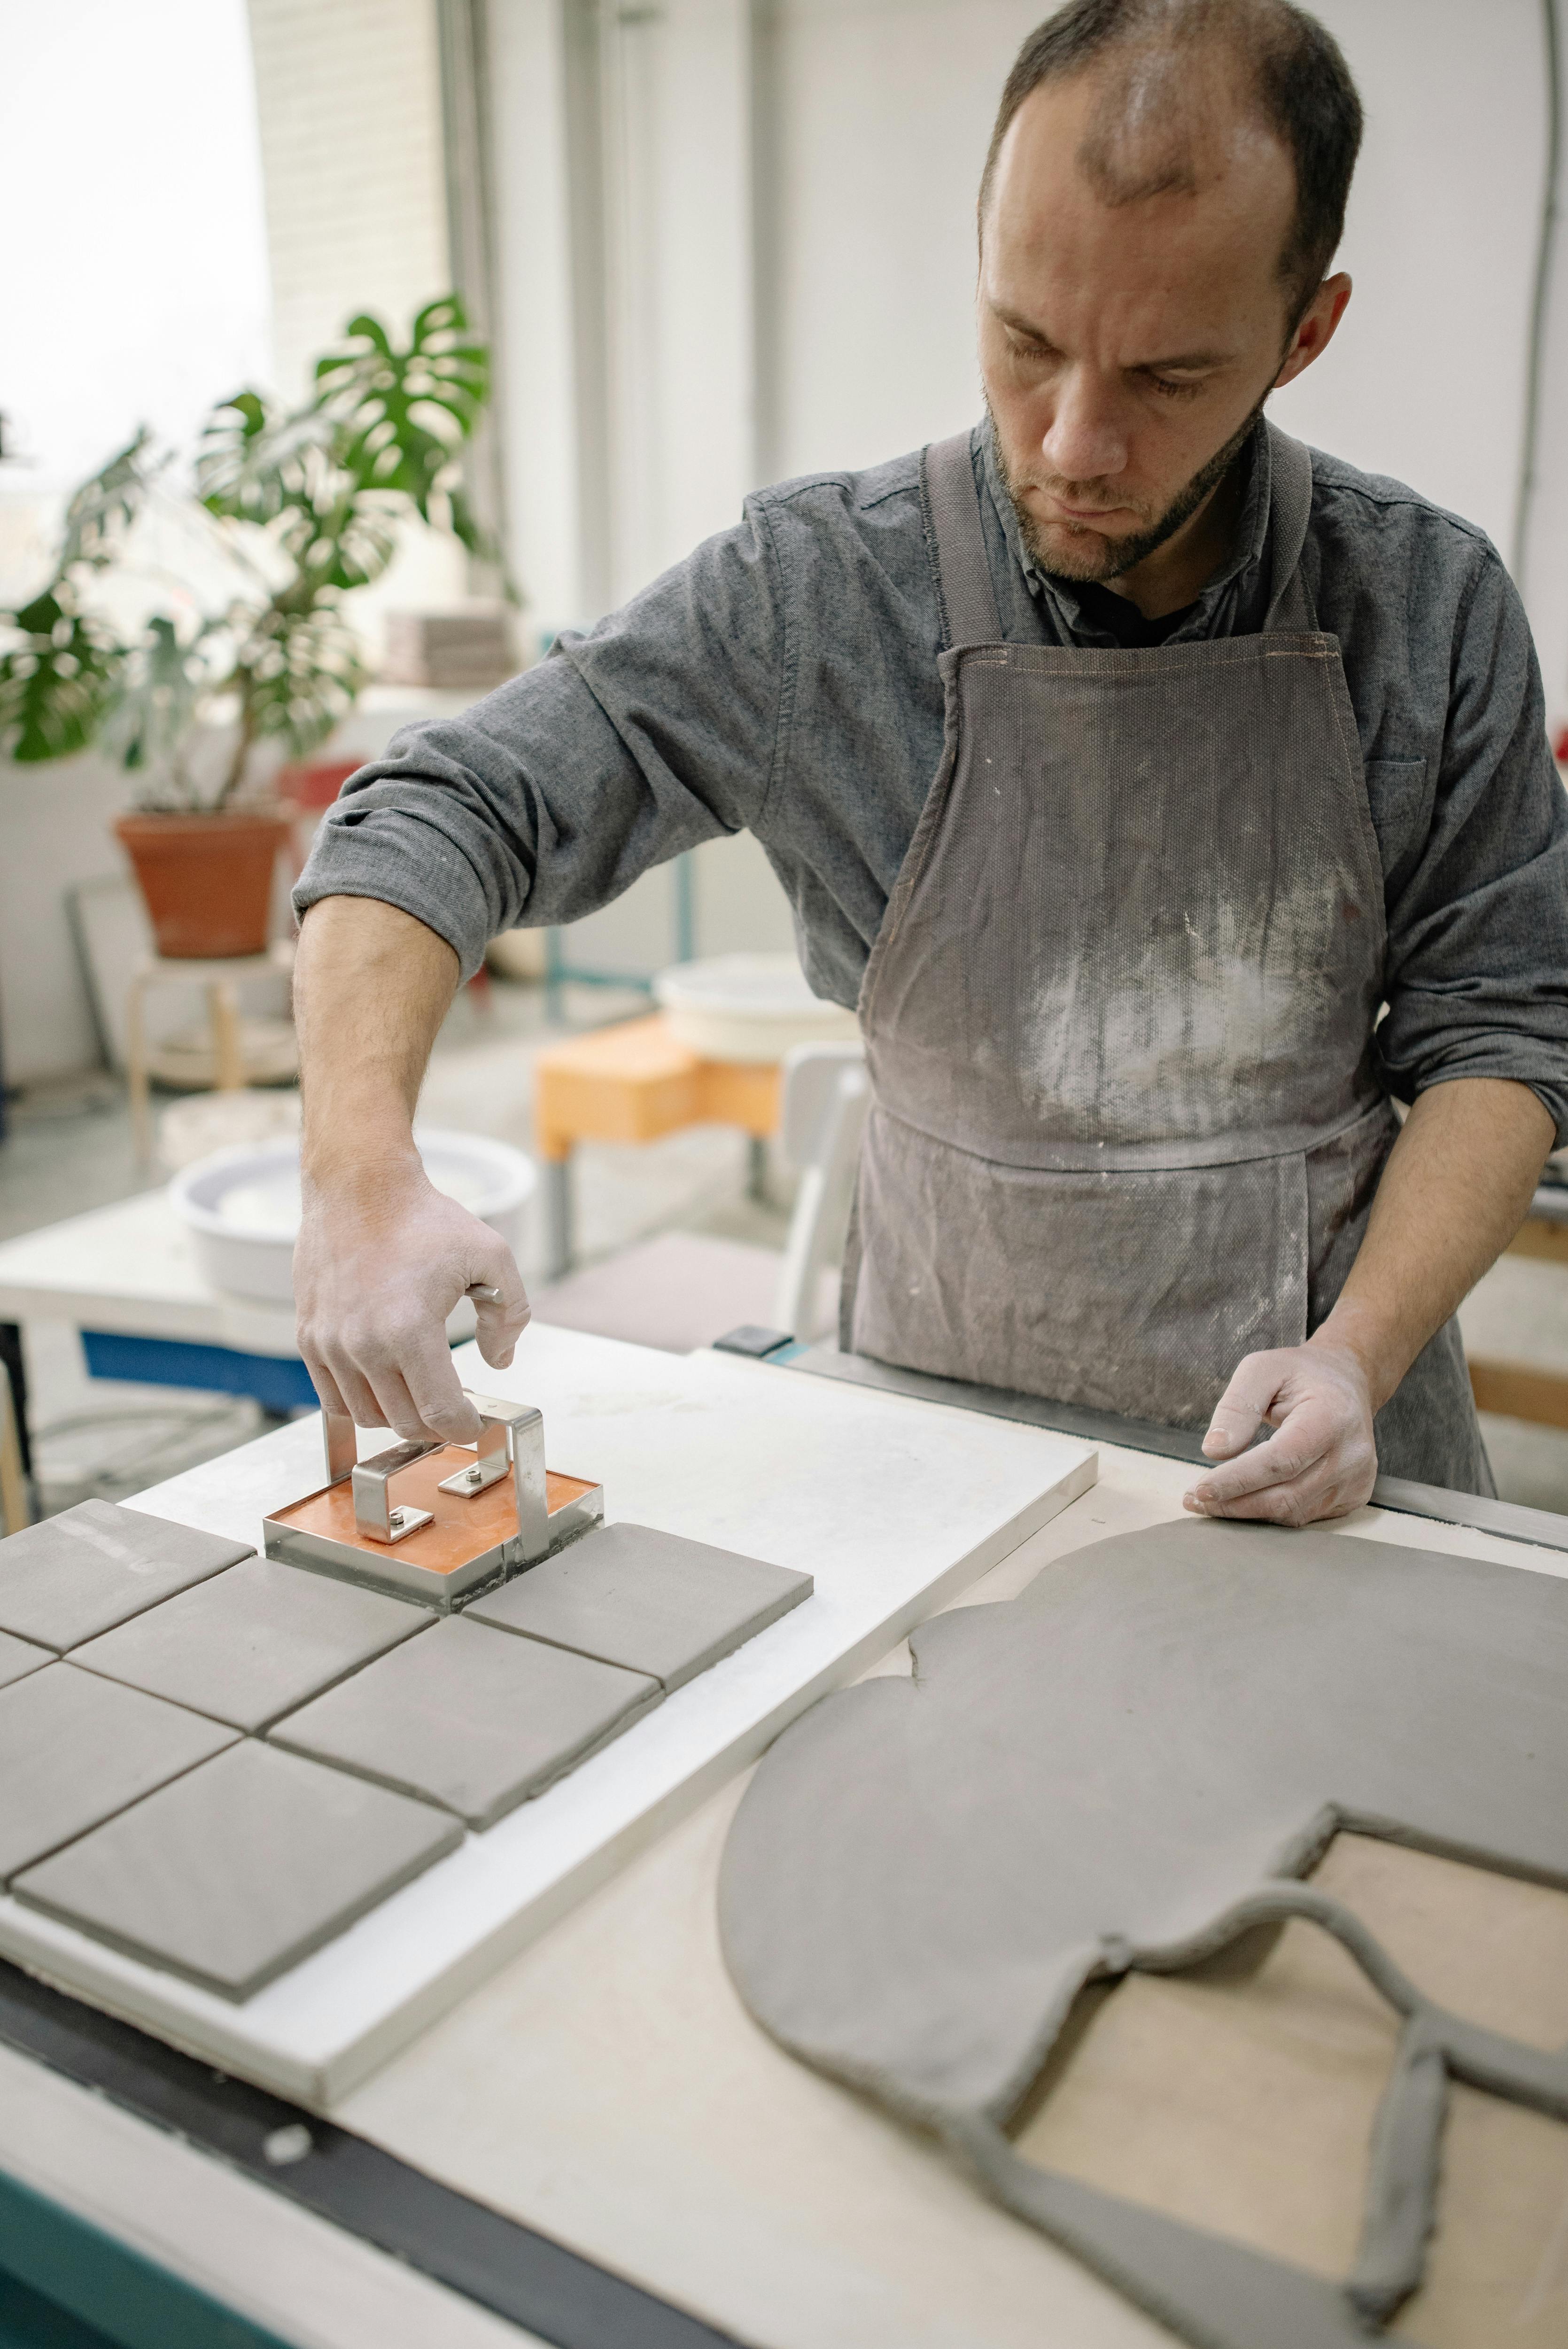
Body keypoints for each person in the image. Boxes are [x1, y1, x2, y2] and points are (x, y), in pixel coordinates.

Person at [290, 0, 1568, 1528]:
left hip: (1319, 1453)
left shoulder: (1421, 608)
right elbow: (443, 807)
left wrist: (1356, 1358)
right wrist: (359, 1178)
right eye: (1026, 343)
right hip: (932, 1454)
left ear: (1306, 330)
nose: (1074, 442)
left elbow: (1501, 1024)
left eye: (1165, 378)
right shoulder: (817, 596)